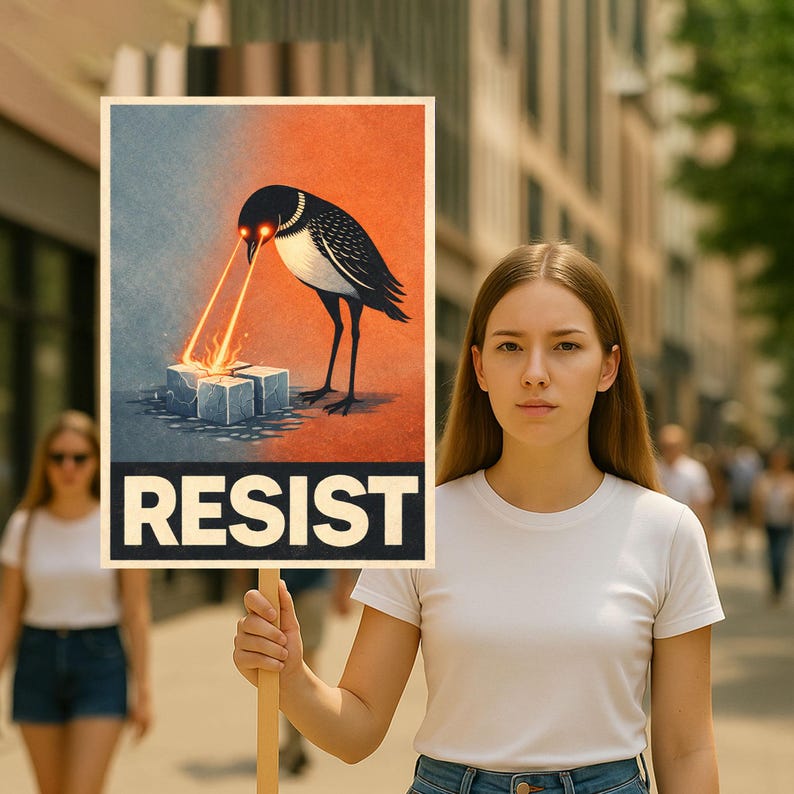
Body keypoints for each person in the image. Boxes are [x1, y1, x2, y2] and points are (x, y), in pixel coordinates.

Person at [234, 243, 724, 793]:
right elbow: (357, 730)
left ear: (608, 366)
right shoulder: (421, 522)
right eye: (510, 346)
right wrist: (291, 677)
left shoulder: (668, 532)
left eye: (565, 346)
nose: (535, 373)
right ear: (479, 366)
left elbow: (687, 750)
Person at [0, 410, 152, 794]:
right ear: (45, 463)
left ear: (95, 461)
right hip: (36, 658)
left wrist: (144, 690)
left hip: (100, 661)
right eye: (58, 457)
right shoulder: (23, 525)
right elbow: (8, 611)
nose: (68, 467)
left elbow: (136, 610)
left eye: (79, 457)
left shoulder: (119, 522)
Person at [656, 423, 716, 548]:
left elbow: (703, 504)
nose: (669, 450)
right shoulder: (655, 470)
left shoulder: (694, 470)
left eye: (672, 446)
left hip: (686, 530)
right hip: (660, 530)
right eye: (665, 446)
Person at [751, 443, 794, 606]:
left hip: (785, 524)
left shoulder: (790, 479)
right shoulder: (764, 478)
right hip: (769, 524)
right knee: (771, 556)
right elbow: (756, 500)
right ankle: (774, 587)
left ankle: (779, 587)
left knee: (780, 556)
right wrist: (757, 518)